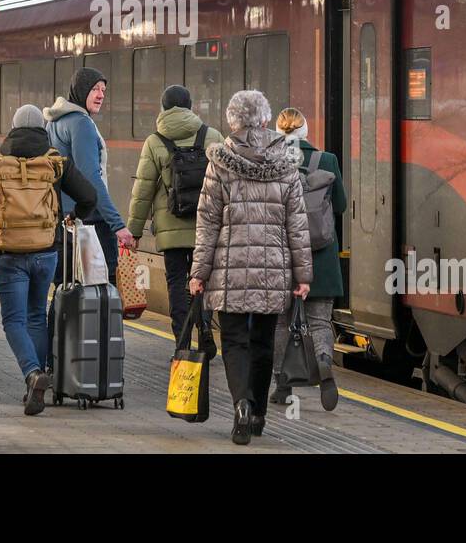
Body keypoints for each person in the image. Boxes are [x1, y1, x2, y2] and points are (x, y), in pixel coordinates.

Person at [189, 90, 312, 445]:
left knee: (235, 342)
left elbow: (208, 223)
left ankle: (241, 403)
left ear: (233, 121)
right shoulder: (286, 163)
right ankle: (257, 413)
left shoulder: (221, 161)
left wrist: (198, 272)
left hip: (230, 270)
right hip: (273, 270)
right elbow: (297, 225)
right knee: (262, 342)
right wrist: (303, 276)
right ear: (263, 120)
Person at [0, 104, 97, 415]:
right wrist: (70, 218)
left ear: (12, 129)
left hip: (9, 254)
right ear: (42, 128)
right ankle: (35, 381)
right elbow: (89, 197)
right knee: (37, 316)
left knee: (14, 320)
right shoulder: (55, 163)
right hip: (45, 252)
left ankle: (32, 374)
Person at [126, 84, 222, 344]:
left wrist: (133, 232)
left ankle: (181, 338)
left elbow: (143, 191)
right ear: (191, 106)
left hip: (171, 228)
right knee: (203, 279)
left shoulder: (155, 142)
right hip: (207, 225)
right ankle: (204, 329)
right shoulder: (212, 136)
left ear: (163, 108)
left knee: (177, 282)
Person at [270, 107, 345, 411]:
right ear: (305, 131)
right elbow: (339, 204)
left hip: (282, 252)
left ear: (278, 132)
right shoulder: (326, 160)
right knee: (319, 320)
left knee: (281, 322)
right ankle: (324, 360)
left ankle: (282, 384)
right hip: (322, 255)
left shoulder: (272, 160)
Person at [43, 67, 134, 287]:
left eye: (103, 89)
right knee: (103, 287)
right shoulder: (81, 123)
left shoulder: (54, 122)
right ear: (81, 90)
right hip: (88, 220)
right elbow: (91, 178)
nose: (101, 94)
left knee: (66, 289)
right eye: (95, 89)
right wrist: (118, 225)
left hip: (63, 220)